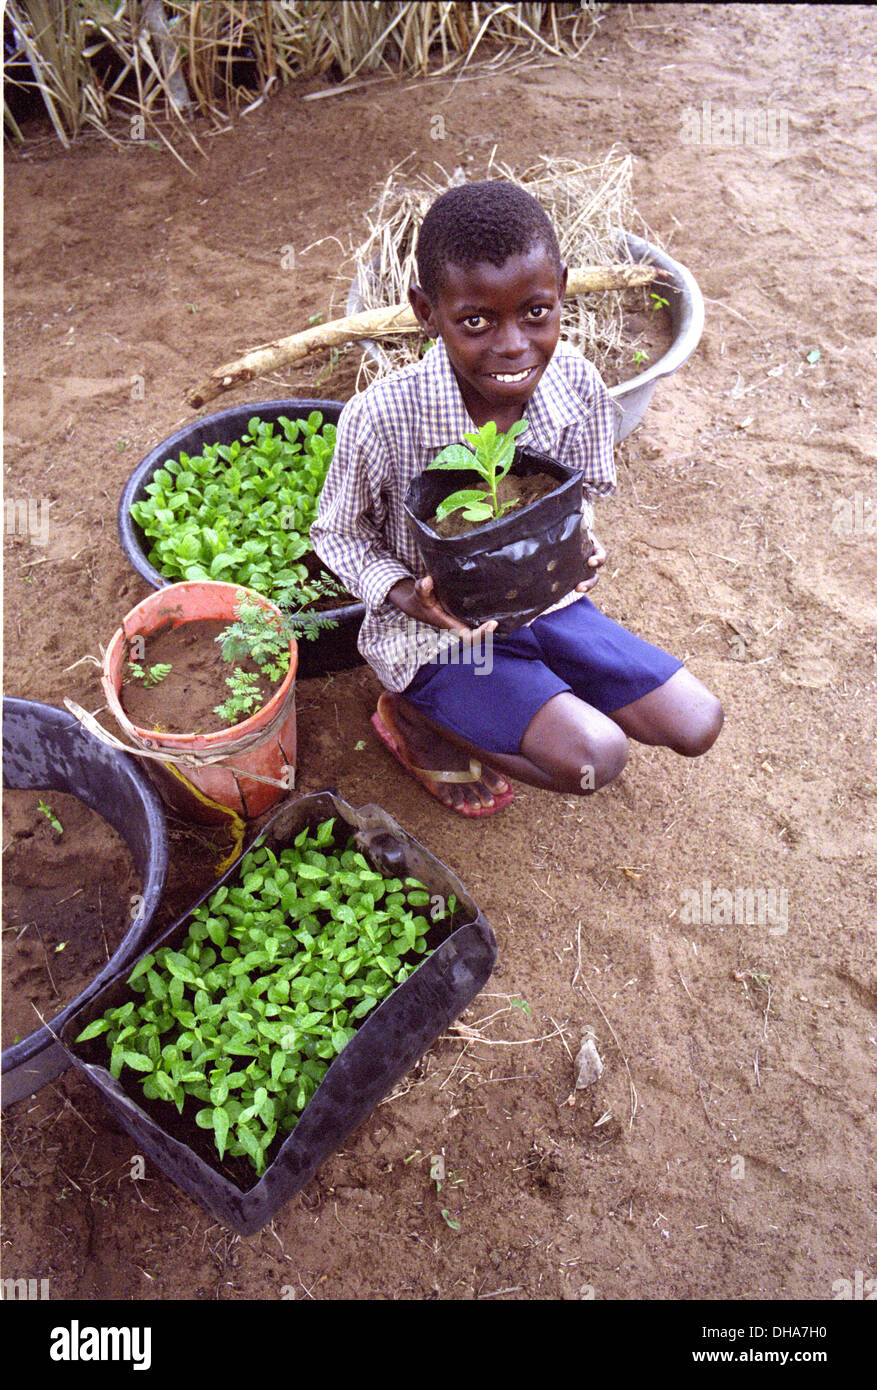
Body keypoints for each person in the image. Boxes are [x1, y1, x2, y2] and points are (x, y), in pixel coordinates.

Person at [311, 180, 723, 817]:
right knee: (597, 755)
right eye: (475, 321)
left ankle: (528, 687)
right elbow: (337, 532)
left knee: (698, 722)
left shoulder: (578, 385)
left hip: (539, 600)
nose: (510, 345)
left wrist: (579, 540)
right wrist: (408, 598)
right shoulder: (383, 416)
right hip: (435, 633)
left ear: (560, 288)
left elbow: (582, 492)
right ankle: (416, 719)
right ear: (426, 310)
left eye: (536, 312)